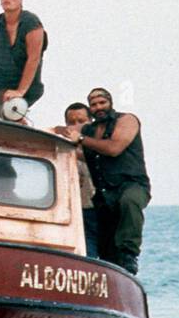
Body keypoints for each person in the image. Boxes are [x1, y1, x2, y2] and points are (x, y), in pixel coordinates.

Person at [65, 88, 151, 276]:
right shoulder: (91, 131)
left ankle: (130, 254)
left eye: (102, 103)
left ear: (110, 102)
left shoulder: (127, 120)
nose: (99, 107)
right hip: (104, 194)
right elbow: (83, 152)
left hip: (131, 184)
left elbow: (113, 148)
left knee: (129, 202)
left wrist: (79, 138)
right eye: (94, 105)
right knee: (106, 249)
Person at [59, 102, 101, 259]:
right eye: (71, 122)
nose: (76, 126)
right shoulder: (63, 146)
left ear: (90, 121)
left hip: (99, 209)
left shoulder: (100, 145)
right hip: (76, 210)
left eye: (81, 121)